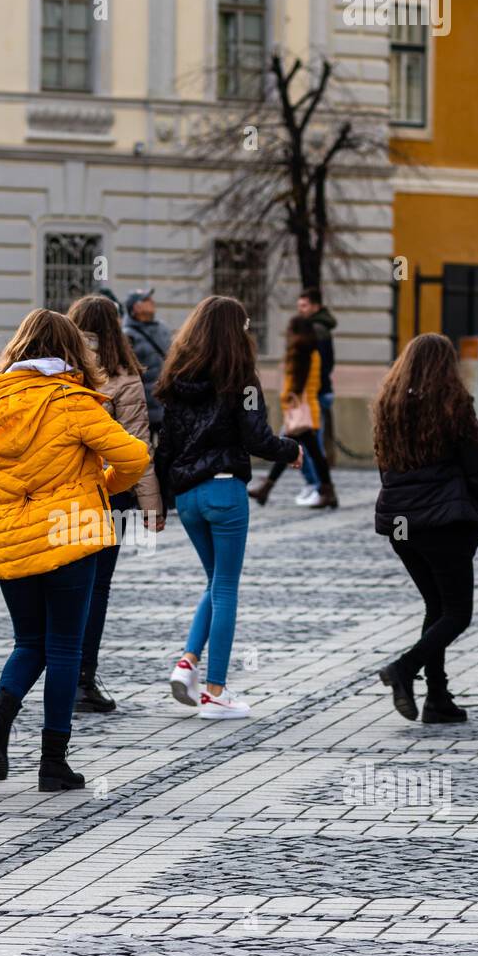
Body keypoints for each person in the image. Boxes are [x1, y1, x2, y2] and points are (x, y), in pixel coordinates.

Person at [0, 309, 150, 790]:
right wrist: (101, 484)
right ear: (71, 351)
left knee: (28, 643)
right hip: (70, 535)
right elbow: (135, 457)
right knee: (64, 647)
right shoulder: (75, 402)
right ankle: (53, 763)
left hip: (10, 541)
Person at [154, 296, 302, 719]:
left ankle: (187, 664)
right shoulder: (243, 380)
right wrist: (291, 449)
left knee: (214, 581)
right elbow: (257, 438)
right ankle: (215, 693)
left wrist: (161, 503)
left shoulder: (177, 379)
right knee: (225, 587)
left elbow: (165, 448)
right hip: (223, 492)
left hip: (188, 496)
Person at [373, 332, 478, 724]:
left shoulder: (388, 405)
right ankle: (404, 669)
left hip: (401, 526)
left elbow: (383, 465)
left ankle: (437, 698)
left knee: (437, 607)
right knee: (458, 613)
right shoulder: (453, 404)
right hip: (443, 523)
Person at [67, 294, 165, 713]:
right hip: (112, 496)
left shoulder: (59, 373)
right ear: (116, 330)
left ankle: (60, 671)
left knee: (65, 586)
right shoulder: (125, 380)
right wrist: (152, 507)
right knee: (97, 587)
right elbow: (137, 448)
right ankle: (82, 678)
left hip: (62, 496)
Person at [248, 316, 339, 509]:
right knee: (309, 453)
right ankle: (326, 491)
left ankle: (267, 488)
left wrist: (287, 401)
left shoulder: (300, 351)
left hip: (300, 411)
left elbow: (296, 383)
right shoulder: (312, 351)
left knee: (292, 450)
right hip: (307, 409)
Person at [296, 287, 337, 499]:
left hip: (314, 394)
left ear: (315, 306)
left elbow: (320, 366)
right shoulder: (316, 327)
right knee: (301, 440)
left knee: (309, 442)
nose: (300, 310)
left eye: (304, 305)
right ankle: (317, 484)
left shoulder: (317, 329)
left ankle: (319, 486)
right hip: (314, 393)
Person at [122, 288, 172, 440]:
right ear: (136, 307)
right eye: (147, 300)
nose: (153, 302)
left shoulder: (163, 328)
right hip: (142, 408)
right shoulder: (127, 335)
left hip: (166, 404)